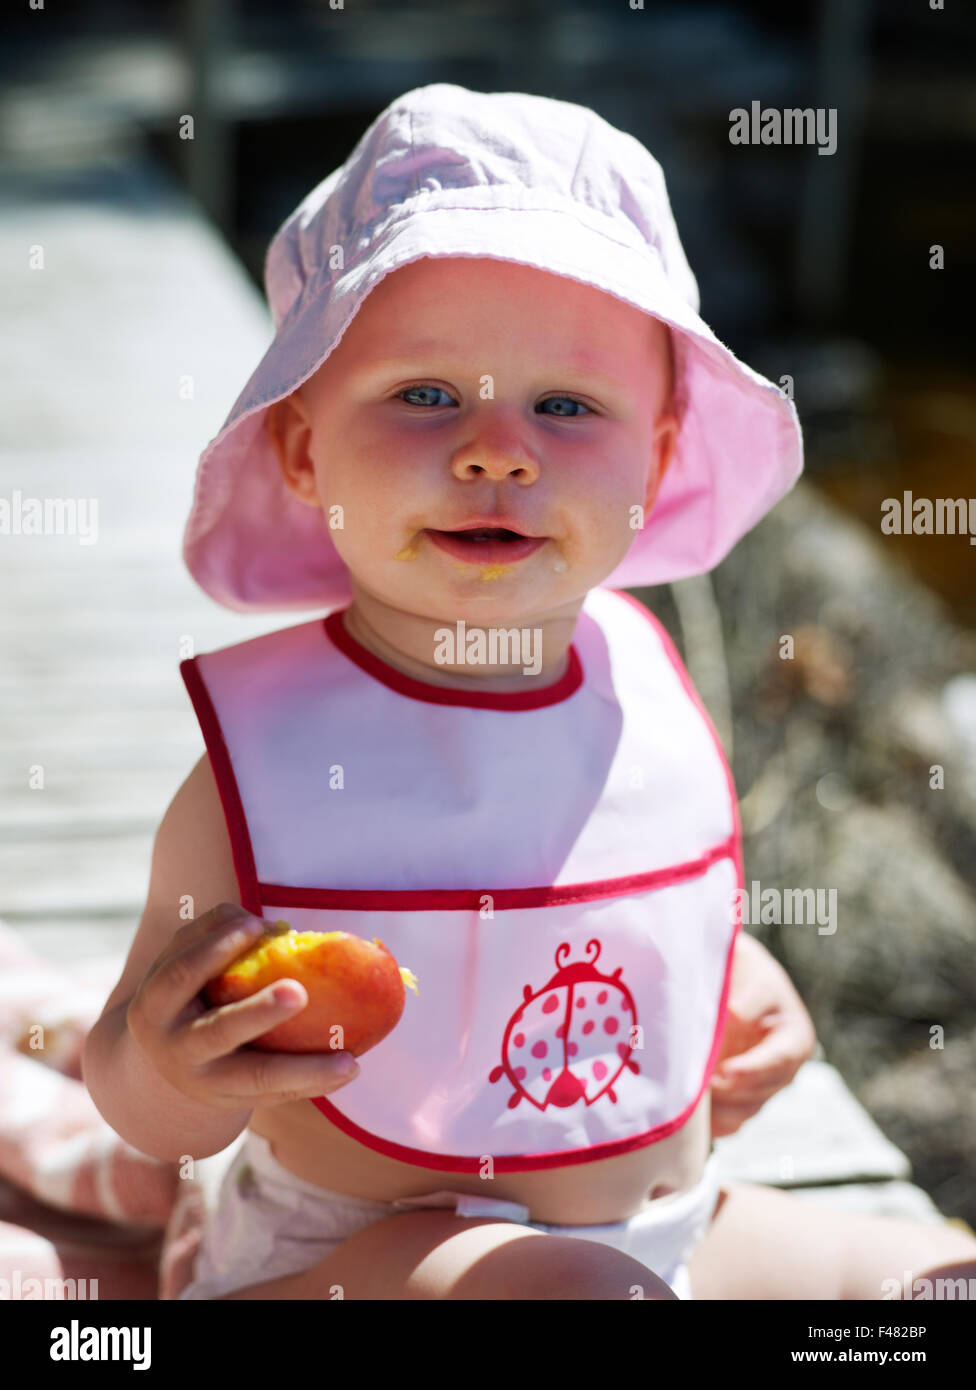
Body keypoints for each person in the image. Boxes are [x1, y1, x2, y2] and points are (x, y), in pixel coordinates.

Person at [84, 84, 976, 1301]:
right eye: (425, 394)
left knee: (933, 1277)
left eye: (566, 406)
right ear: (302, 447)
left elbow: (614, 902)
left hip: (666, 1229)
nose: (497, 449)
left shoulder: (647, 688)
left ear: (656, 457)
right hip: (368, 1265)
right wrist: (172, 1070)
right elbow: (141, 1094)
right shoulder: (267, 764)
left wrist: (738, 990)